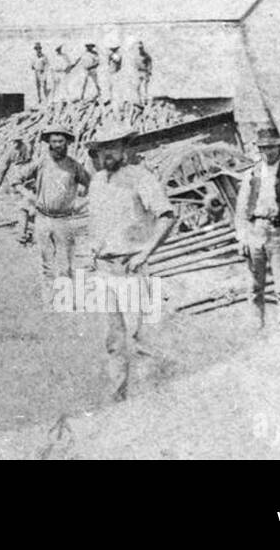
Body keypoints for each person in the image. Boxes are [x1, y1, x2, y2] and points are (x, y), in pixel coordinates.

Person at [85, 125, 175, 401]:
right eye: (103, 148)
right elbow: (98, 223)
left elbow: (167, 216)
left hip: (130, 268)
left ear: (125, 149)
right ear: (97, 152)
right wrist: (93, 249)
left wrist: (146, 251)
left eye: (114, 146)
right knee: (113, 340)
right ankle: (118, 398)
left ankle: (151, 401)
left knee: (139, 338)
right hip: (104, 269)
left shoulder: (140, 178)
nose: (108, 153)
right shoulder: (97, 181)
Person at [234, 125, 280, 329]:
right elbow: (241, 208)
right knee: (255, 284)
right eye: (264, 148)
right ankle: (256, 323)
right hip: (255, 230)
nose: (268, 152)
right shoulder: (251, 175)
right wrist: (241, 237)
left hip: (278, 232)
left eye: (272, 147)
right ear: (259, 150)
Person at [11, 125, 91, 306]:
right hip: (43, 218)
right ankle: (49, 299)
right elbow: (15, 180)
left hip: (64, 220)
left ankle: (66, 300)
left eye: (61, 141)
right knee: (47, 261)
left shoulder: (74, 166)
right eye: (53, 141)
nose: (57, 145)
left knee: (65, 263)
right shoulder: (42, 162)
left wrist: (81, 203)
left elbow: (92, 186)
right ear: (49, 143)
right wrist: (29, 196)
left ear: (67, 143)